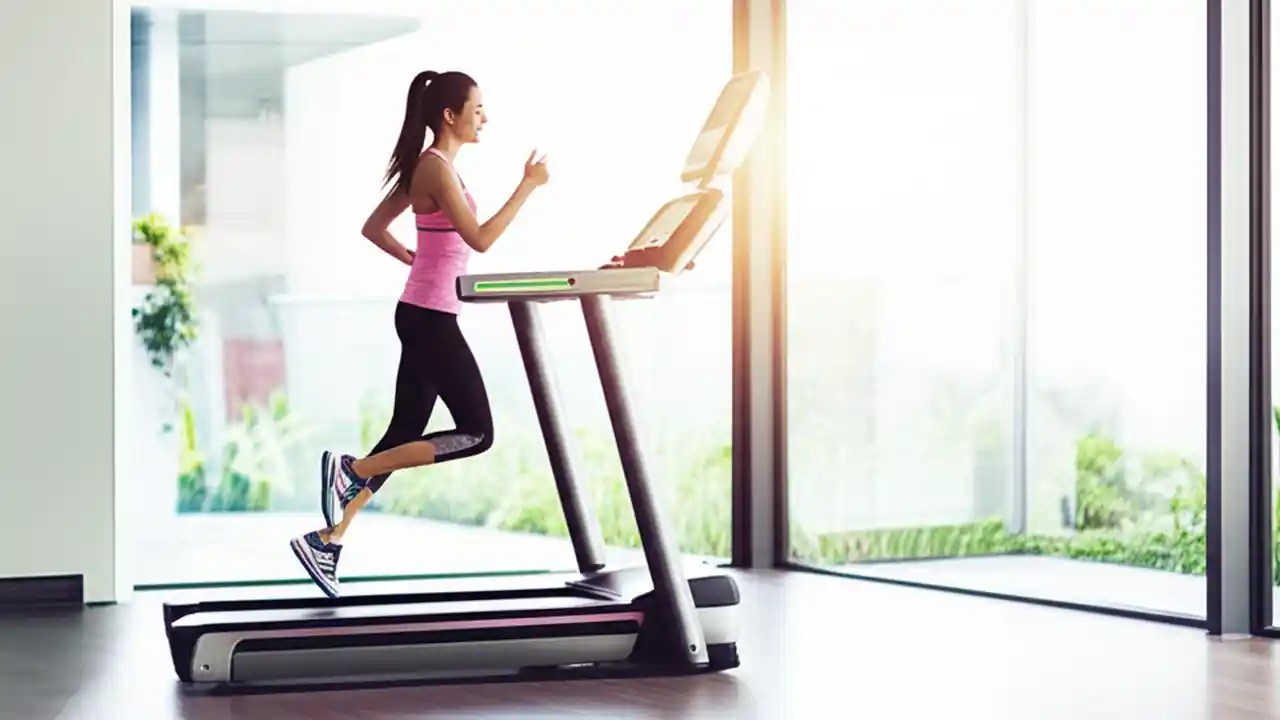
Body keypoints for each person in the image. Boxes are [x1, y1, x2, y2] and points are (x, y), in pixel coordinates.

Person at [289, 70, 550, 597]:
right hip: (430, 318)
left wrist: (417, 259)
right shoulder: (436, 170)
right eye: (477, 108)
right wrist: (527, 186)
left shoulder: (431, 169)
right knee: (478, 432)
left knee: (404, 432)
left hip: (421, 310)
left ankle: (327, 540)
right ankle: (352, 468)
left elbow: (374, 228)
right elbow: (479, 240)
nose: (484, 118)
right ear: (450, 115)